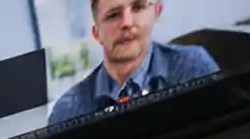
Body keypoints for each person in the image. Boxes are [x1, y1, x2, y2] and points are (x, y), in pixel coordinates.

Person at [47, 0, 220, 126]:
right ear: (96, 34)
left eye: (138, 7)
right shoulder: (67, 113)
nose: (127, 23)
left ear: (157, 12)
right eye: (113, 15)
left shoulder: (193, 68)